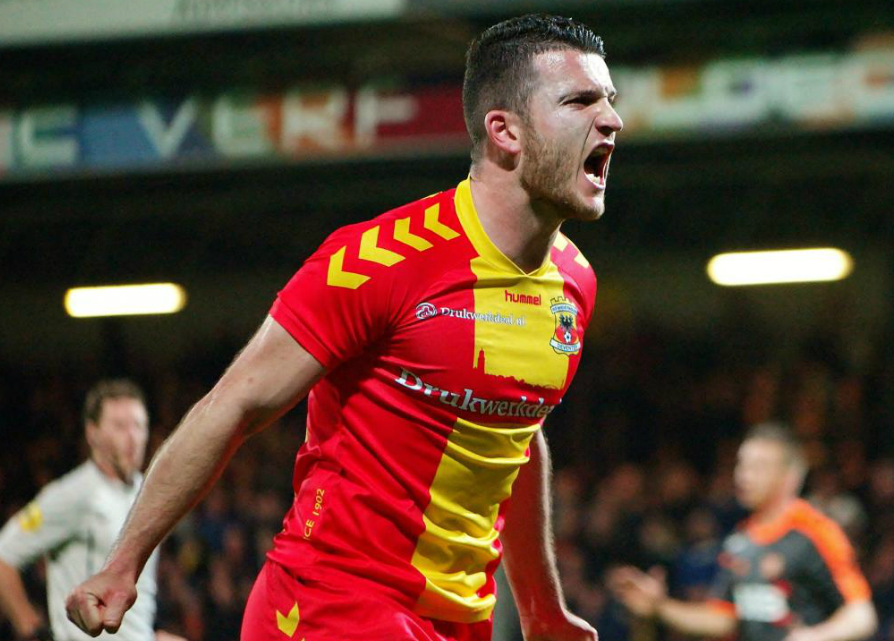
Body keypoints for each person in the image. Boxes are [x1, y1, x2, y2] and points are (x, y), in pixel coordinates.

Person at [66, 13, 622, 641]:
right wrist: (123, 565)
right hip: (330, 603)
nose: (611, 119)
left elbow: (515, 436)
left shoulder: (574, 282)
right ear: (505, 132)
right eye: (580, 101)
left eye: (609, 100)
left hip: (458, 619)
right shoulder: (379, 259)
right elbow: (235, 402)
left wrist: (542, 609)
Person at [608, 423, 878, 641]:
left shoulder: (816, 531)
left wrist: (816, 637)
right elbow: (724, 619)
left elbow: (861, 615)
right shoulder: (740, 540)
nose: (743, 476)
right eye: (741, 465)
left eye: (757, 467)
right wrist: (659, 607)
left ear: (790, 475)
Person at [0, 379, 184, 641]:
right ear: (92, 433)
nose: (132, 437)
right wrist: (33, 630)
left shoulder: (145, 492)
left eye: (138, 425)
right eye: (120, 426)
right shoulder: (73, 494)